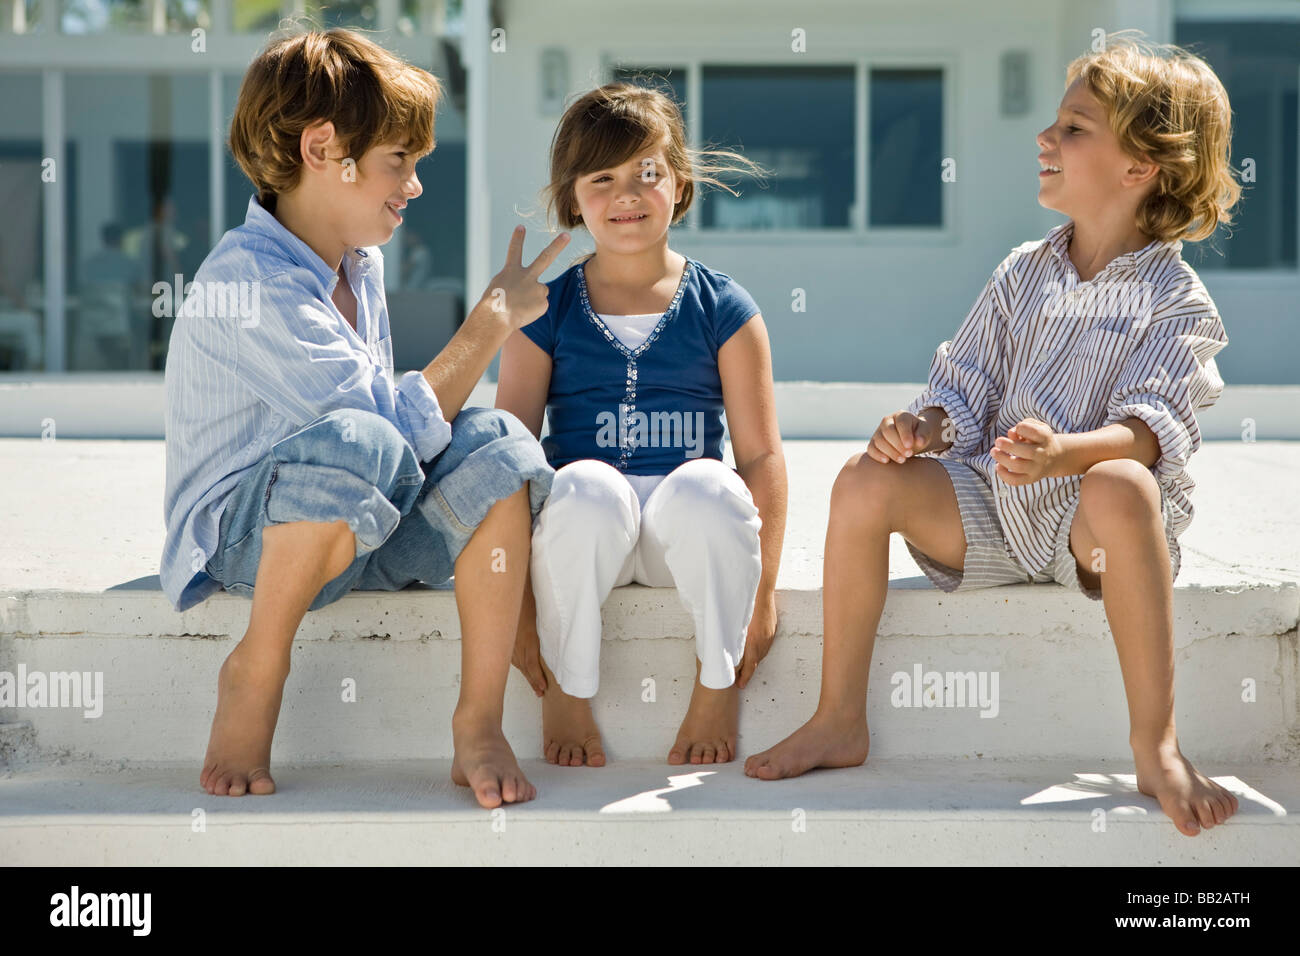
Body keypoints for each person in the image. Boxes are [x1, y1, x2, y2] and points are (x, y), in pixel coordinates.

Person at [746, 34, 1242, 837]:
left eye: (1075, 128)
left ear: (1140, 166)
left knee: (1124, 484)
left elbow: (1155, 429)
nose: (1046, 139)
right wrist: (922, 427)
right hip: (993, 518)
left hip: (1095, 534)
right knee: (862, 481)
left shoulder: (1176, 299)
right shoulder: (1022, 271)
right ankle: (839, 716)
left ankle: (1157, 747)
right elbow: (963, 390)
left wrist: (1065, 455)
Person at [160, 28, 569, 808]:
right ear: (323, 148)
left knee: (501, 442)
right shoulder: (248, 282)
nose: (414, 186)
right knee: (362, 436)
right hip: (245, 540)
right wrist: (489, 322)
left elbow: (406, 444)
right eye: (398, 161)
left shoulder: (360, 264)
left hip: (359, 521)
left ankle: (478, 722)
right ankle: (257, 670)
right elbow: (377, 424)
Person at [496, 82, 787, 767]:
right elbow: (505, 459)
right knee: (588, 487)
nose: (626, 194)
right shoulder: (544, 310)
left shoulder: (725, 307)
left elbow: (761, 460)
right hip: (584, 533)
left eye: (646, 174)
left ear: (679, 185)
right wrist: (517, 608)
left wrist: (765, 592)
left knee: (707, 488)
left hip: (678, 535)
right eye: (603, 178)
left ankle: (716, 683)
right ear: (573, 197)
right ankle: (567, 686)